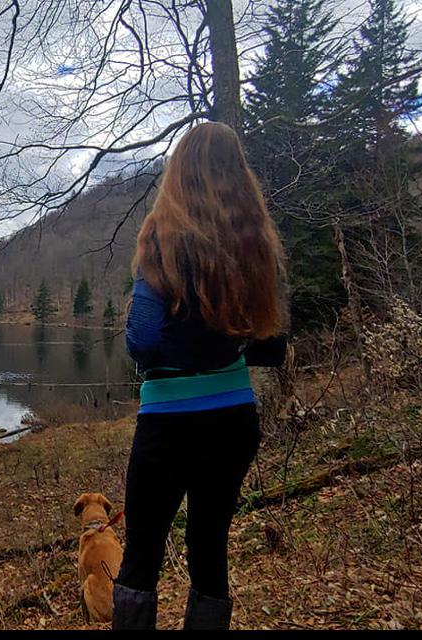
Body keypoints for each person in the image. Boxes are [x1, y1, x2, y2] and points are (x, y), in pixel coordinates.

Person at [113, 121, 288, 630]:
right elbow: (271, 346)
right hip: (234, 421)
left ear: (177, 173)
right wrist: (218, 352)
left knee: (142, 555)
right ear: (239, 175)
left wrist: (177, 358)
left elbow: (142, 340)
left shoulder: (161, 241)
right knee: (210, 548)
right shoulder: (254, 244)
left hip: (168, 423)